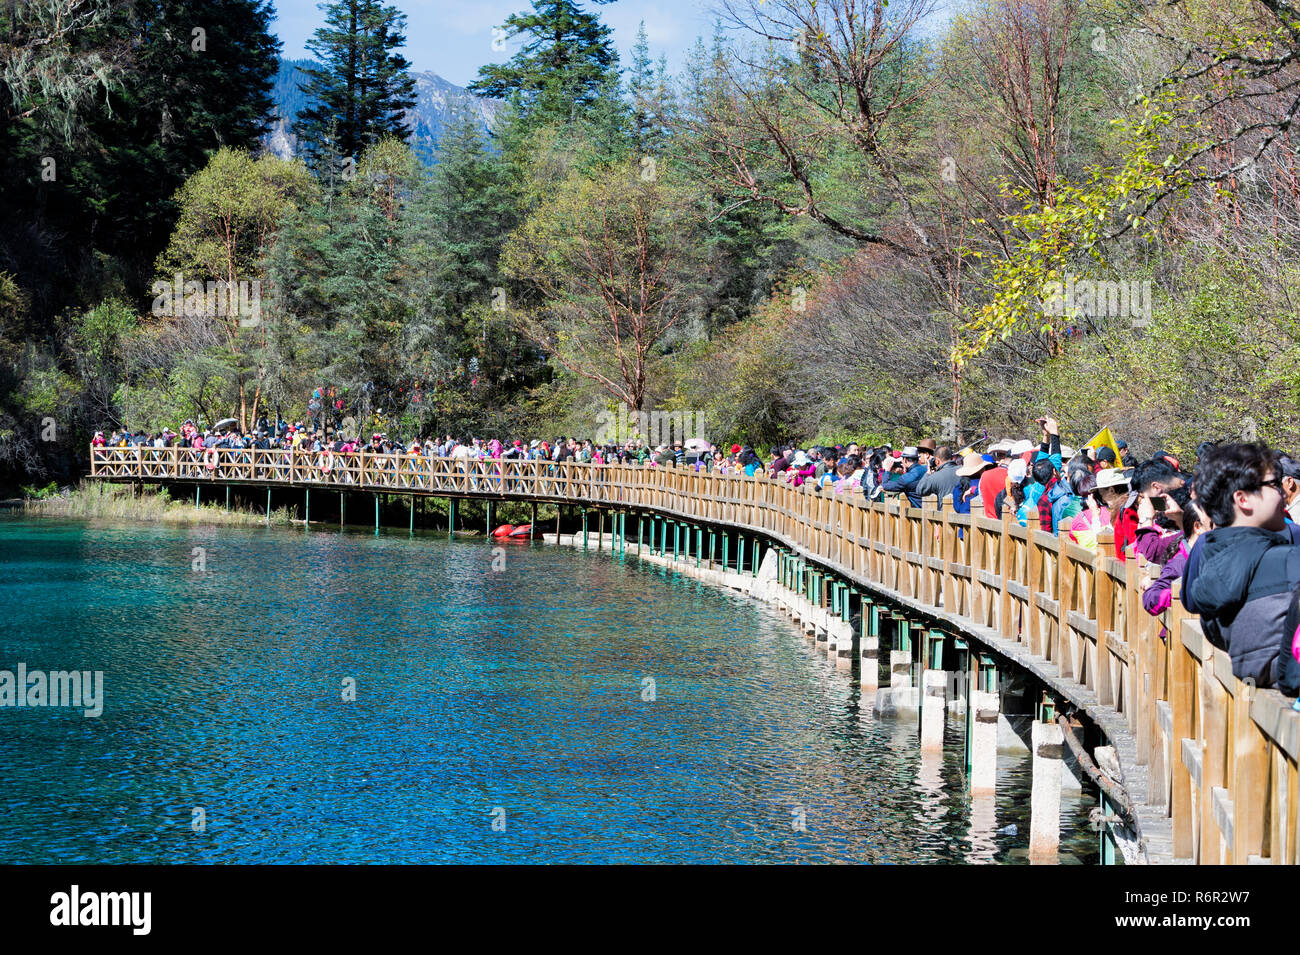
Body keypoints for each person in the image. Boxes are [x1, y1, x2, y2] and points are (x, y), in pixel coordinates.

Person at [1183, 442, 1300, 688]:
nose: (1282, 492)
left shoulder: (1210, 559)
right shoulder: (1288, 562)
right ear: (1243, 498)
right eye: (1273, 484)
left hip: (1255, 686)